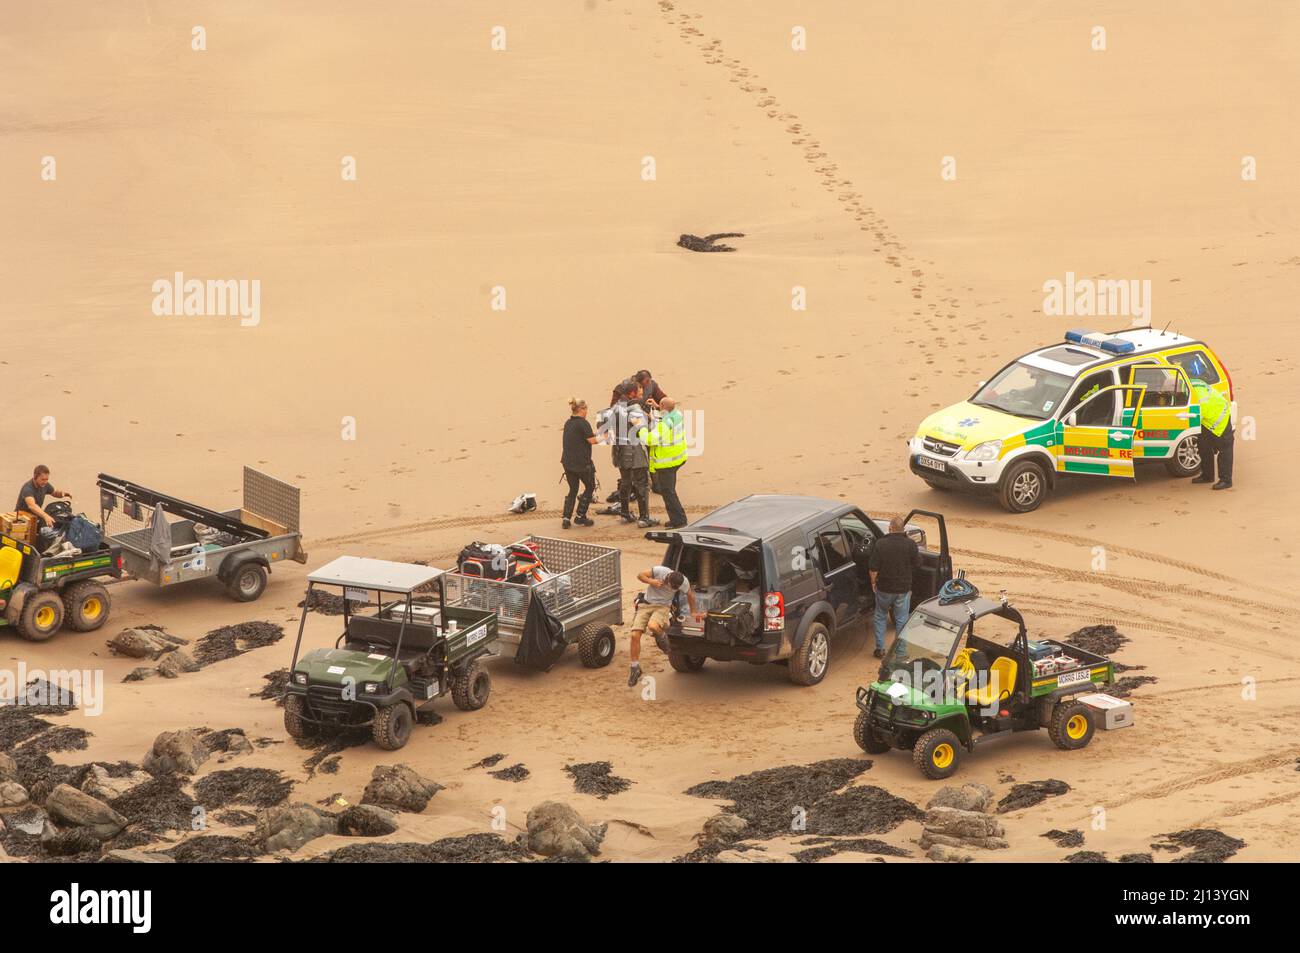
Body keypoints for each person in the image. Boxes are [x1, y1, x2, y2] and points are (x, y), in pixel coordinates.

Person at [628, 565, 697, 686]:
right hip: (646, 604)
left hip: (662, 607)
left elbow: (690, 595)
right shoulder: (660, 571)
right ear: (668, 578)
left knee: (653, 626)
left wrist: (693, 612)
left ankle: (662, 638)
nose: (671, 589)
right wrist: (651, 581)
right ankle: (635, 668)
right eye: (671, 586)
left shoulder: (684, 582)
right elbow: (640, 575)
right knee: (634, 635)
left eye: (674, 588)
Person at [868, 516, 921, 658]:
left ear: (890, 528)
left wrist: (873, 583)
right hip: (903, 589)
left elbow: (873, 568)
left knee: (880, 616)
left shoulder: (880, 544)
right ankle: (901, 652)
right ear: (903, 529)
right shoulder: (910, 545)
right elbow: (917, 565)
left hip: (884, 588)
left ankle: (880, 649)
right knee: (902, 620)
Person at [612, 380, 657, 528]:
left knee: (625, 482)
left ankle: (625, 513)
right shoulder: (635, 409)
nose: (641, 393)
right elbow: (644, 429)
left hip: (620, 450)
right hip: (635, 450)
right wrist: (650, 417)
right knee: (642, 484)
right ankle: (644, 517)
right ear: (632, 393)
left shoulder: (617, 407)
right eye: (639, 390)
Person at [643, 398, 688, 528]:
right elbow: (666, 416)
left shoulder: (665, 424)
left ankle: (679, 520)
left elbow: (650, 439)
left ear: (663, 406)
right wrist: (658, 408)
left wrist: (641, 428)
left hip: (667, 462)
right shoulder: (677, 414)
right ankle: (677, 518)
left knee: (668, 492)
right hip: (678, 458)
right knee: (669, 490)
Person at [560, 398, 601, 529]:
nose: (587, 412)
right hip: (582, 464)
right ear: (581, 409)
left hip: (567, 462)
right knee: (589, 487)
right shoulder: (583, 423)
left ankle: (566, 518)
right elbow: (592, 441)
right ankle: (580, 516)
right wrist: (605, 437)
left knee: (573, 490)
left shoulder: (568, 423)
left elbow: (582, 437)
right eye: (586, 409)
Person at [1191, 379, 1233, 490]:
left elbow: (1202, 411)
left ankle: (1226, 480)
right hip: (1208, 420)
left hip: (1219, 417)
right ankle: (1207, 476)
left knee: (1225, 449)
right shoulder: (1190, 383)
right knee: (1203, 445)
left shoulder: (1199, 393)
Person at [15, 465, 71, 530]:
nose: (45, 482)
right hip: (22, 518)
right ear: (35, 477)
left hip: (35, 517)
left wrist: (62, 494)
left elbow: (54, 492)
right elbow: (32, 506)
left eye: (47, 479)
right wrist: (46, 516)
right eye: (42, 479)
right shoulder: (27, 488)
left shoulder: (44, 485)